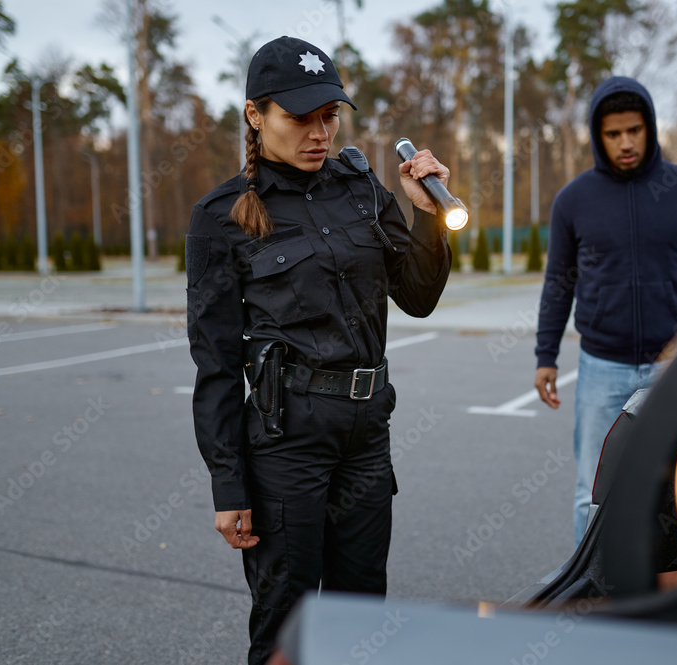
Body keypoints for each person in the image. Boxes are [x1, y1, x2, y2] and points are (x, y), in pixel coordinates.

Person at [185, 36, 452, 663]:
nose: (319, 132)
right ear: (256, 115)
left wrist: (430, 219)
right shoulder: (222, 215)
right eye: (299, 117)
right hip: (287, 442)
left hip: (366, 435)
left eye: (329, 115)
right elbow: (216, 362)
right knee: (289, 625)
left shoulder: (361, 189)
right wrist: (229, 486)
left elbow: (417, 296)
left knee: (361, 619)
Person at [533, 76, 677, 546]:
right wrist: (546, 356)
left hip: (676, 368)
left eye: (634, 131)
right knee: (593, 494)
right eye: (613, 134)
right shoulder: (573, 201)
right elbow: (558, 285)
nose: (625, 143)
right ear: (598, 136)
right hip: (603, 369)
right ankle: (590, 603)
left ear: (651, 128)